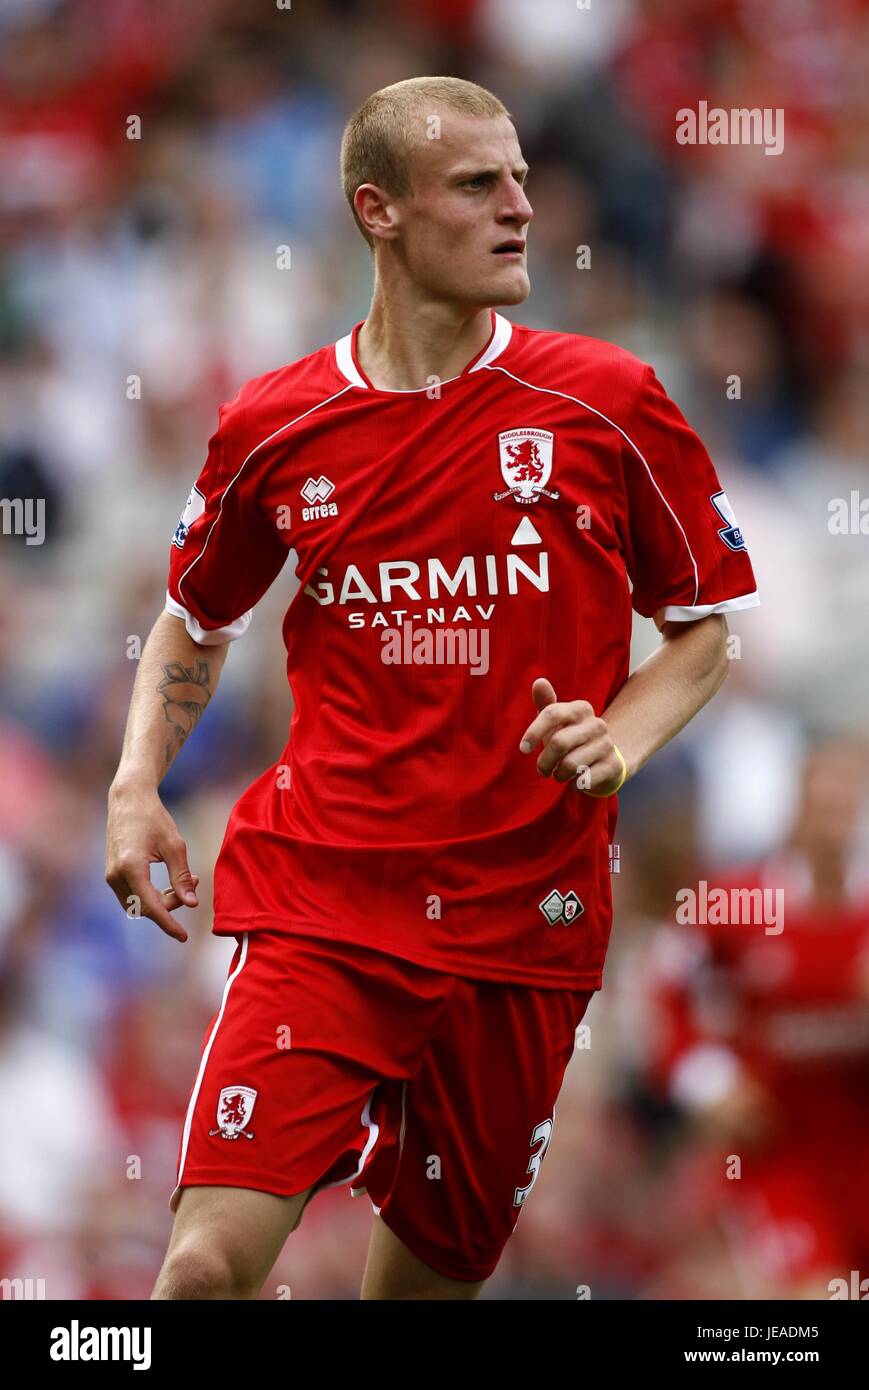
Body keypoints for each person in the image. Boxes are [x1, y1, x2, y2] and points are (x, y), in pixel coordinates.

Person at [105, 75, 759, 1300]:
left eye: (518, 178)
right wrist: (137, 782)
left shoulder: (605, 399)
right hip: (326, 899)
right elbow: (195, 621)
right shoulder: (274, 425)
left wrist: (613, 741)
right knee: (198, 1272)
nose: (520, 207)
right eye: (477, 184)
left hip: (526, 924)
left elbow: (701, 634)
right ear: (379, 211)